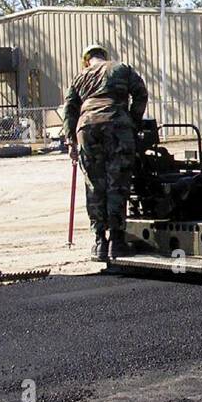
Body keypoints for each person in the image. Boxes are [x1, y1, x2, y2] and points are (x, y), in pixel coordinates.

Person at [64, 43, 149, 263]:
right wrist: (133, 121)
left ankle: (100, 241)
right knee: (117, 182)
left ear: (87, 60)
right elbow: (141, 93)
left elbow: (70, 110)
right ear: (104, 56)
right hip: (117, 125)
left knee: (94, 185)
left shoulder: (79, 77)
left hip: (87, 128)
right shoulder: (121, 68)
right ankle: (117, 241)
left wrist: (71, 141)